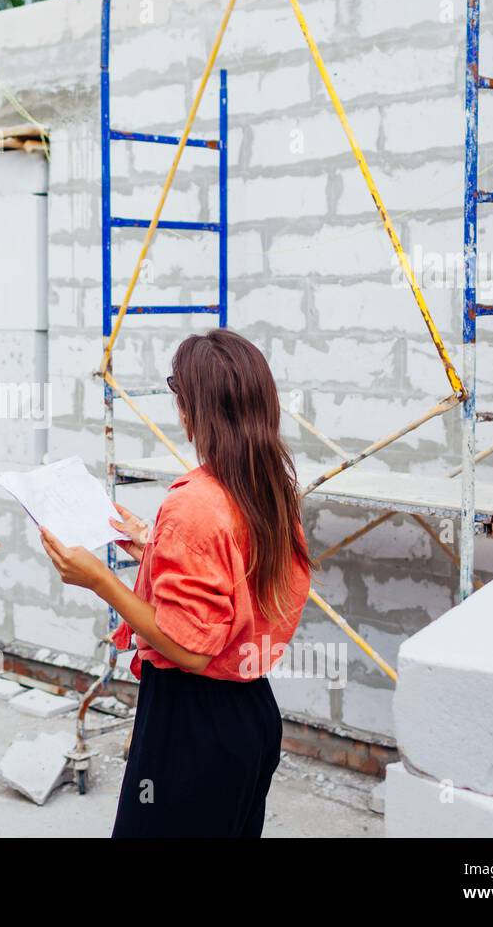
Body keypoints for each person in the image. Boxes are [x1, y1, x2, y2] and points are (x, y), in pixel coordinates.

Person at [39, 328, 313, 837]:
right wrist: (153, 546)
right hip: (251, 718)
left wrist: (100, 580)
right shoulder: (269, 483)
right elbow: (235, 578)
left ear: (196, 409)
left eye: (178, 393)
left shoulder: (195, 503)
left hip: (192, 726)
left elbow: (192, 650)